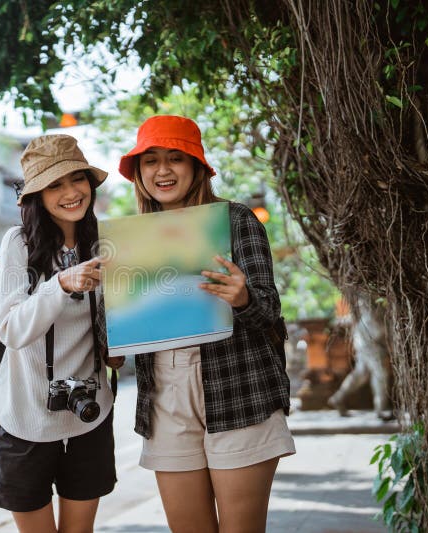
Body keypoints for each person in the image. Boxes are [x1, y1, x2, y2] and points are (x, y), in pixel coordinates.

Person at [119, 115, 295, 532]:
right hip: (165, 395)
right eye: (151, 161)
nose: (162, 170)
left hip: (238, 387)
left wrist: (244, 296)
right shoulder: (128, 241)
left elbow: (269, 309)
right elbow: (127, 331)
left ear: (197, 166)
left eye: (175, 158)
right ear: (139, 173)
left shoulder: (236, 220)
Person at [0, 134, 124, 533]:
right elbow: (10, 329)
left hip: (88, 411)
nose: (71, 192)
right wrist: (60, 284)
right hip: (23, 415)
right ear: (37, 197)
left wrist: (118, 348)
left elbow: (118, 323)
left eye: (77, 179)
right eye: (55, 184)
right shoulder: (19, 242)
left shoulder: (107, 242)